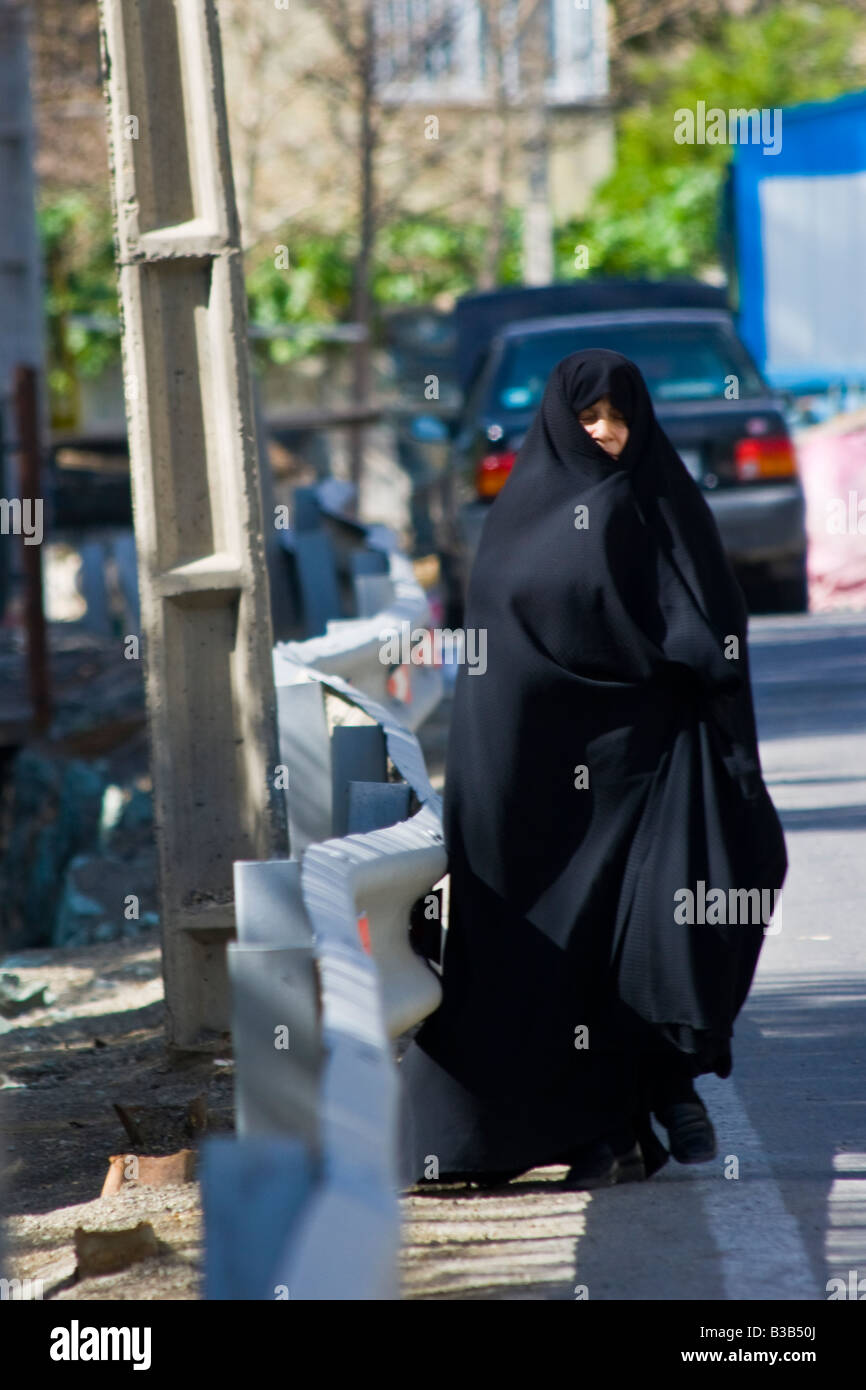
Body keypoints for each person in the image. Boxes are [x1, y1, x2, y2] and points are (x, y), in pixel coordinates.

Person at [398, 347, 787, 1190]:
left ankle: (661, 1086)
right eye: (590, 418)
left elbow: (715, 635)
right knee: (540, 959)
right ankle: (594, 1131)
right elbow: (505, 657)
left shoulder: (666, 503)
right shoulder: (520, 523)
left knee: (653, 937)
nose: (607, 433)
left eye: (621, 416)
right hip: (536, 786)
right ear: (560, 422)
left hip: (650, 775)